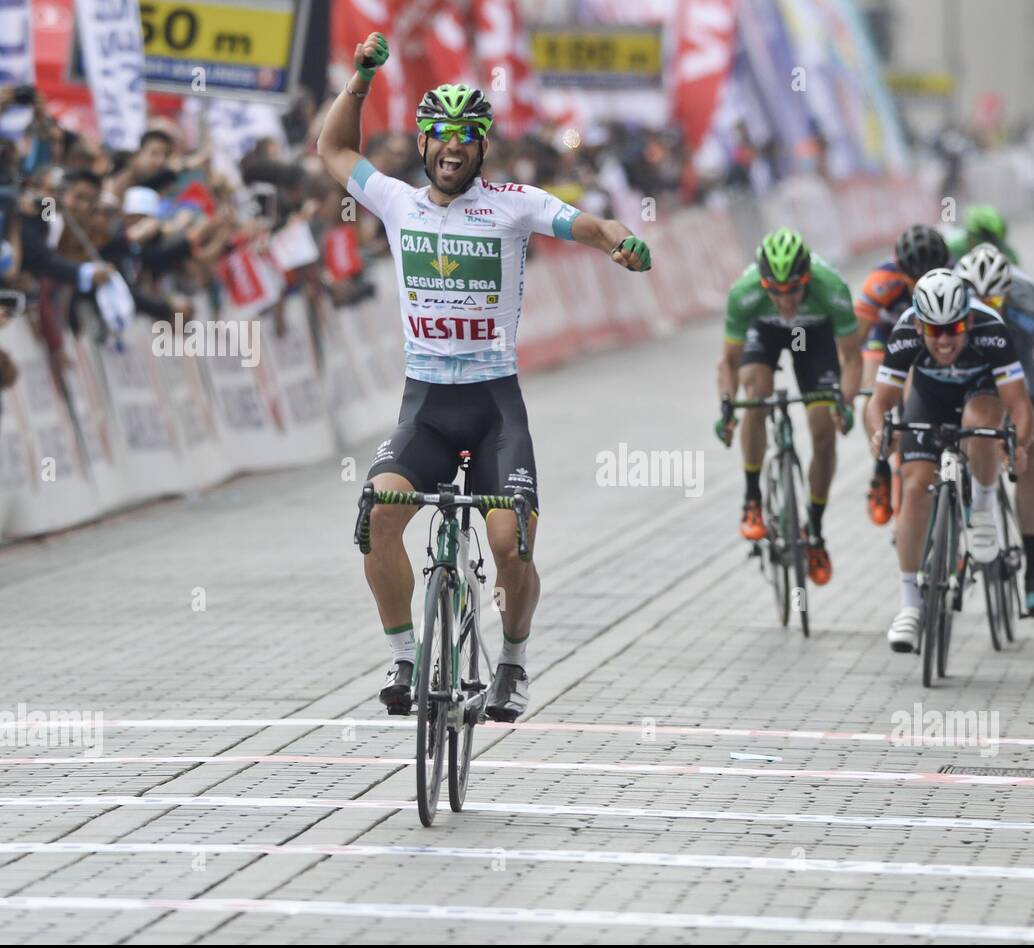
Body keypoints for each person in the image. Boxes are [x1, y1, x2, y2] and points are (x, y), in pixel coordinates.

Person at [316, 33, 652, 722]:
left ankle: (513, 664)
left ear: (480, 147)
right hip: (427, 408)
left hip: (495, 408)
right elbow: (334, 151)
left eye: (465, 138)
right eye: (439, 136)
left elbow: (589, 223)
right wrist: (359, 81)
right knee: (377, 515)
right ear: (423, 142)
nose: (451, 148)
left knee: (510, 543)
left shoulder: (514, 204)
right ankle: (405, 657)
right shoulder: (398, 203)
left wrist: (622, 242)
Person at [865, 268, 1033, 653]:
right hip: (931, 396)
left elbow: (1019, 404)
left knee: (980, 424)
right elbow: (880, 400)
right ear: (920, 324)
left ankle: (985, 509)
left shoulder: (990, 327)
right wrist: (880, 433)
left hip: (981, 392)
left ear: (968, 320)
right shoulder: (906, 330)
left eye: (953, 330)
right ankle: (910, 605)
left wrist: (1018, 444)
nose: (943, 341)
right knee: (914, 488)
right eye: (934, 330)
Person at [715, 228, 859, 585]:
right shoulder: (744, 293)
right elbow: (728, 364)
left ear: (807, 279)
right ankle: (752, 498)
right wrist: (727, 408)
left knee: (824, 433)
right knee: (756, 393)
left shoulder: (832, 289)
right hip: (764, 332)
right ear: (763, 283)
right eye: (774, 291)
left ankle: (815, 530)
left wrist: (846, 401)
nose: (785, 299)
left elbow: (853, 358)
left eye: (793, 289)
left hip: (814, 335)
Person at [956, 244, 1034, 615]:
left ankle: (1033, 574)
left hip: (1019, 367)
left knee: (1028, 457)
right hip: (971, 368)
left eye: (995, 301)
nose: (988, 310)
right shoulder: (950, 313)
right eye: (979, 301)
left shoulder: (1030, 314)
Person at [854, 225, 950, 524]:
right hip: (885, 335)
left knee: (914, 392)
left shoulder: (953, 278)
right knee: (872, 391)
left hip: (928, 336)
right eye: (913, 279)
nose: (920, 284)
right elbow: (855, 338)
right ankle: (881, 467)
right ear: (900, 270)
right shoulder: (880, 281)